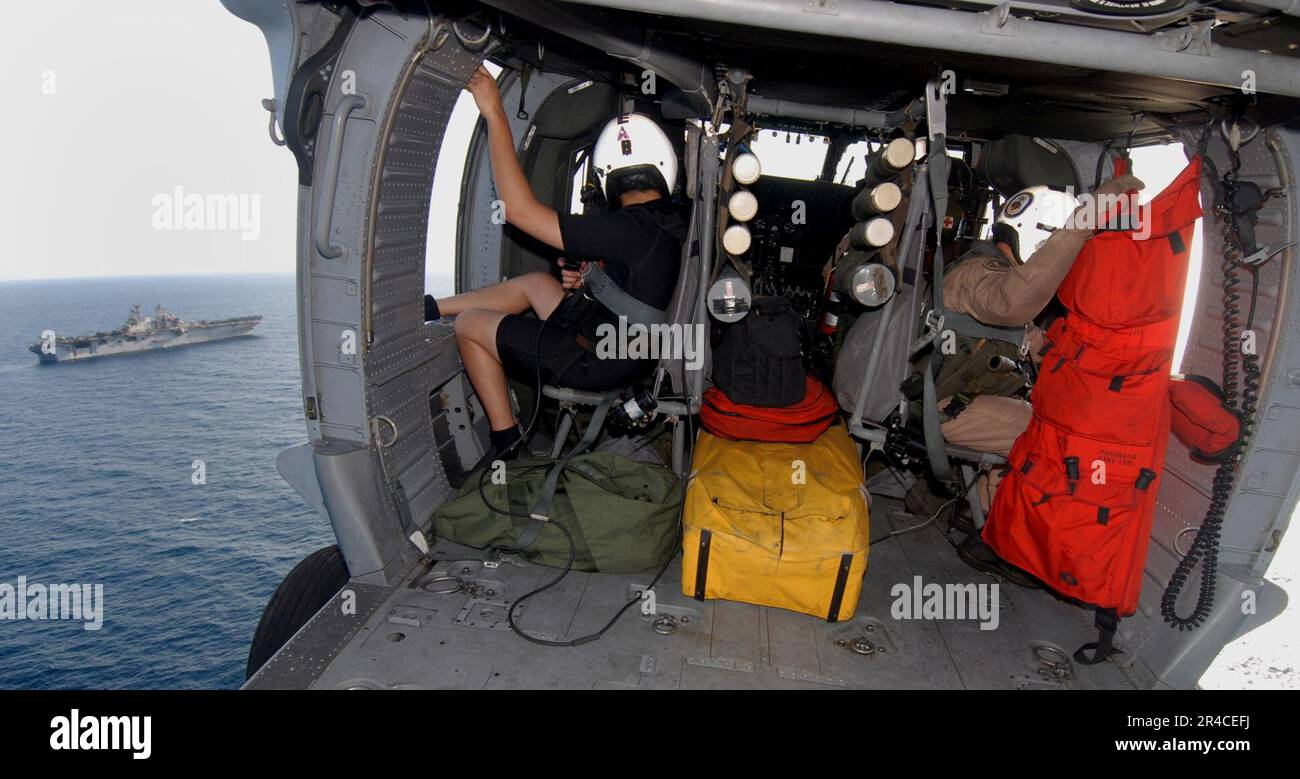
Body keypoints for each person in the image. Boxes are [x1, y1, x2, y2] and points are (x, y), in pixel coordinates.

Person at [426, 66, 685, 462]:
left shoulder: (625, 228)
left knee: (470, 326)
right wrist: (593, 282)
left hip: (599, 363)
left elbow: (517, 210)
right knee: (535, 283)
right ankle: (434, 307)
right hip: (630, 351)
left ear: (605, 174)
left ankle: (507, 442)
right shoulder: (660, 226)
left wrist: (495, 113)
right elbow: (640, 288)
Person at [930, 172, 1145, 581]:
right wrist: (1082, 225)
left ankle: (977, 513)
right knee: (1051, 439)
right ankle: (1001, 543)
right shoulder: (979, 273)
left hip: (952, 396)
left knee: (1040, 416)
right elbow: (1011, 304)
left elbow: (1030, 343)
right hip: (942, 405)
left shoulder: (987, 271)